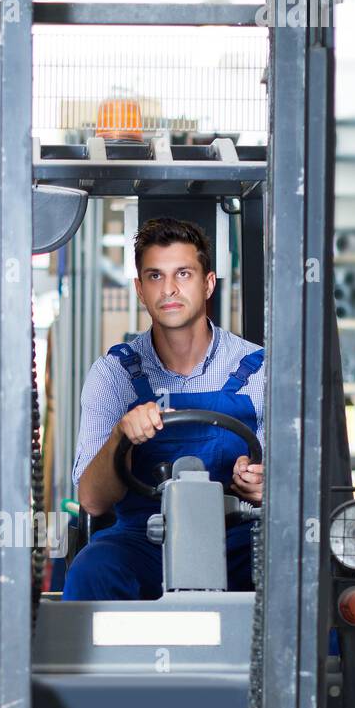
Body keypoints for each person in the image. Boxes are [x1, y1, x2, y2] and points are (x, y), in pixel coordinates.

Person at [63, 216, 265, 600]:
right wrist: (120, 437)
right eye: (155, 276)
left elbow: (286, 481)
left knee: (296, 574)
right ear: (139, 289)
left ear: (208, 284)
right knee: (92, 572)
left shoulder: (259, 371)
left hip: (236, 534)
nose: (169, 289)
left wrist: (261, 484)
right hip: (144, 536)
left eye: (183, 274)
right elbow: (91, 499)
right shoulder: (114, 374)